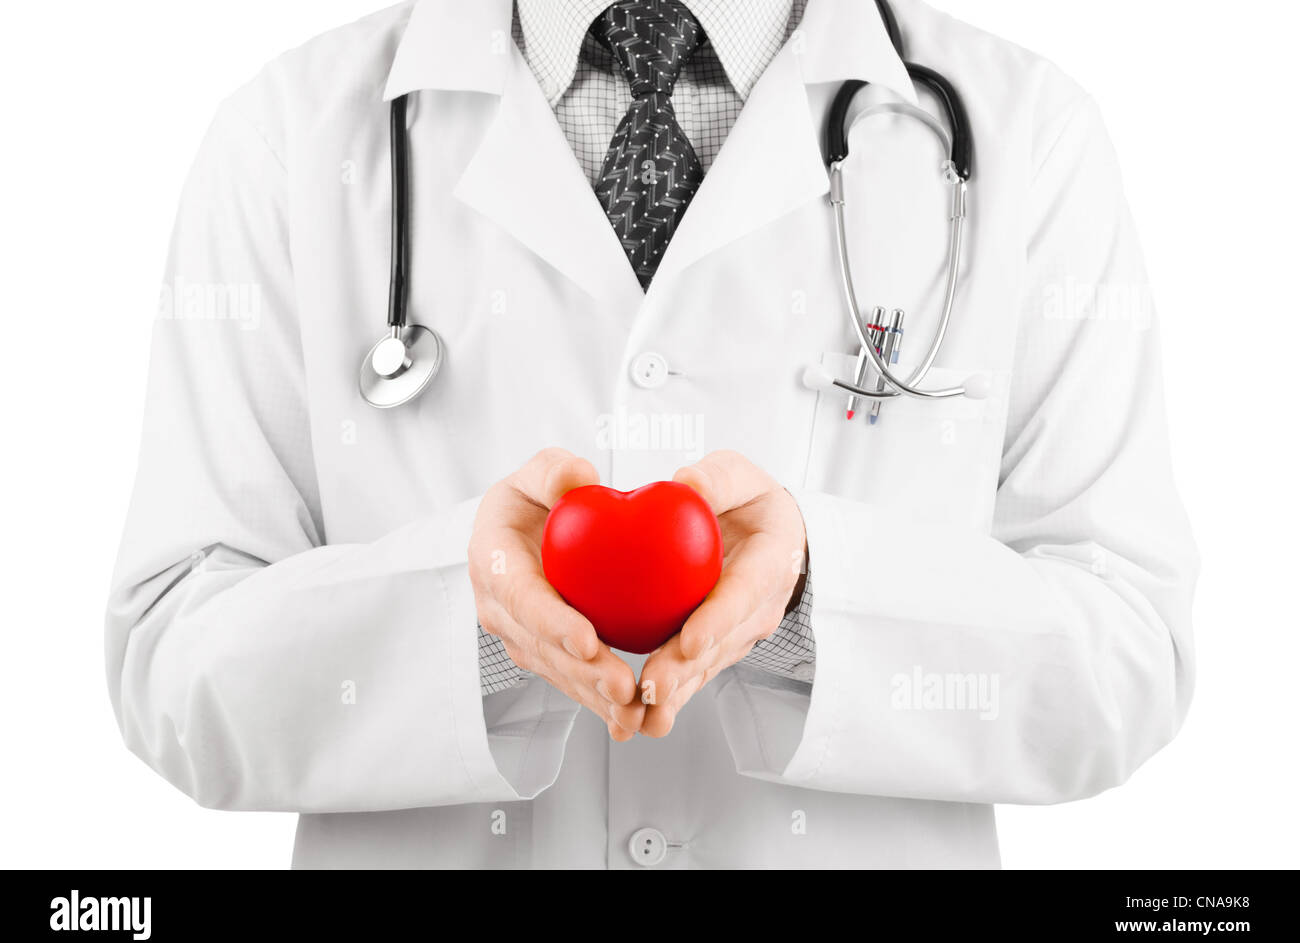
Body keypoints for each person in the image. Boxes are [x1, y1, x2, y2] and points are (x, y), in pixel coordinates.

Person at [106, 0, 1199, 869]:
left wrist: (810, 604)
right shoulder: (289, 138)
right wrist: (475, 614)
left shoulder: (1026, 135)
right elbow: (172, 665)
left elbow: (1128, 654)